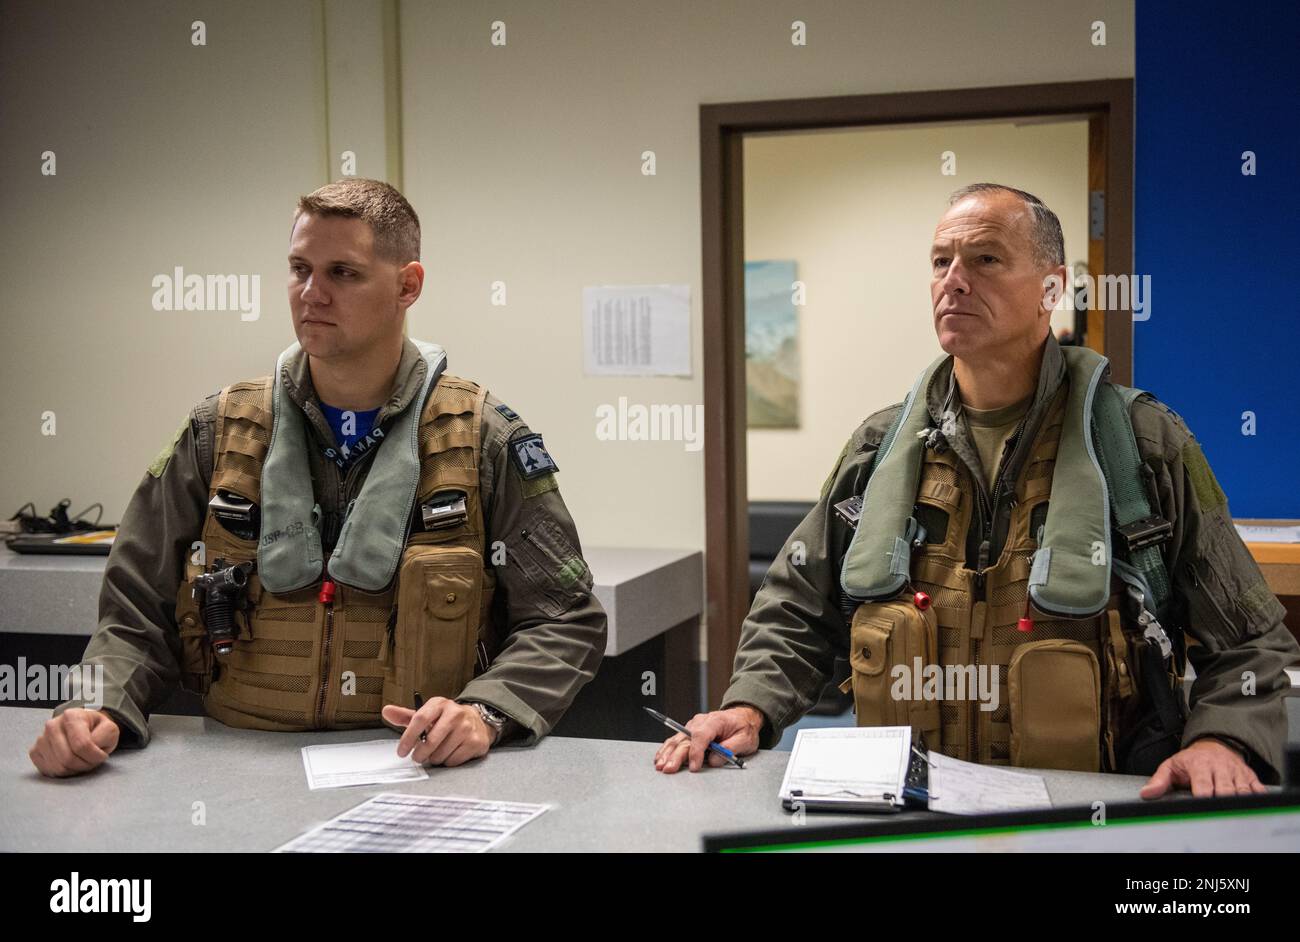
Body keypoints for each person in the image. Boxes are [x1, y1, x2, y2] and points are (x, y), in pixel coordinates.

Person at [656, 183, 1299, 798]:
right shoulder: (880, 449)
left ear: (1052, 288)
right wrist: (750, 704)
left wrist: (1223, 739)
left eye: (986, 259)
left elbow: (1250, 641)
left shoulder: (1142, 444)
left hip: (1086, 813)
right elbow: (798, 603)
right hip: (908, 804)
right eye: (941, 261)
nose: (953, 280)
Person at [30, 178, 606, 777]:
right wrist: (96, 703)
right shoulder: (218, 431)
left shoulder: (484, 439)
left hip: (418, 773)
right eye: (299, 269)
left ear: (408, 285)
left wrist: (487, 711)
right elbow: (131, 613)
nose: (312, 293)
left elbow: (564, 619)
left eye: (343, 273)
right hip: (231, 769)